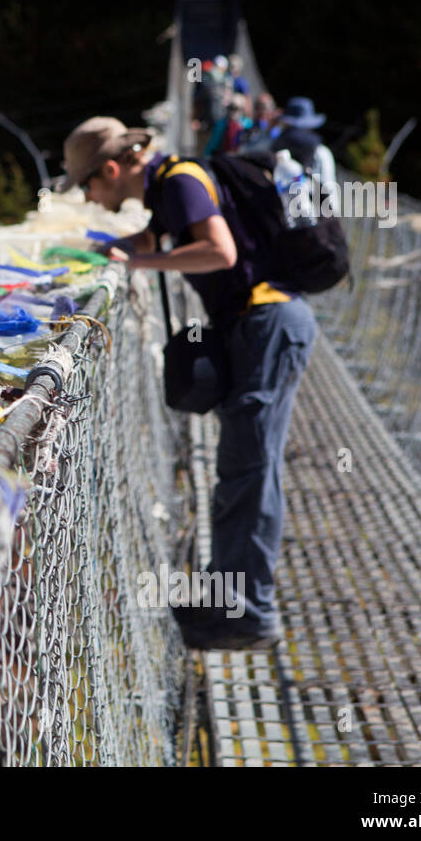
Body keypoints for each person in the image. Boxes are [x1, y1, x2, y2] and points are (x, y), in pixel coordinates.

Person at [57, 116, 318, 650]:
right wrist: (95, 254)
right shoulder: (166, 185)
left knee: (249, 470)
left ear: (110, 169)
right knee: (241, 468)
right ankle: (229, 596)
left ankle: (250, 614)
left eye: (88, 185)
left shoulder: (179, 180)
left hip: (267, 324)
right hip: (255, 327)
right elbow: (151, 236)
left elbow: (219, 251)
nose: (88, 196)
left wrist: (141, 262)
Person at [272, 96, 339, 216]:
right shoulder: (320, 152)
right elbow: (330, 195)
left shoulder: (273, 146)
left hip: (275, 215)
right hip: (309, 218)